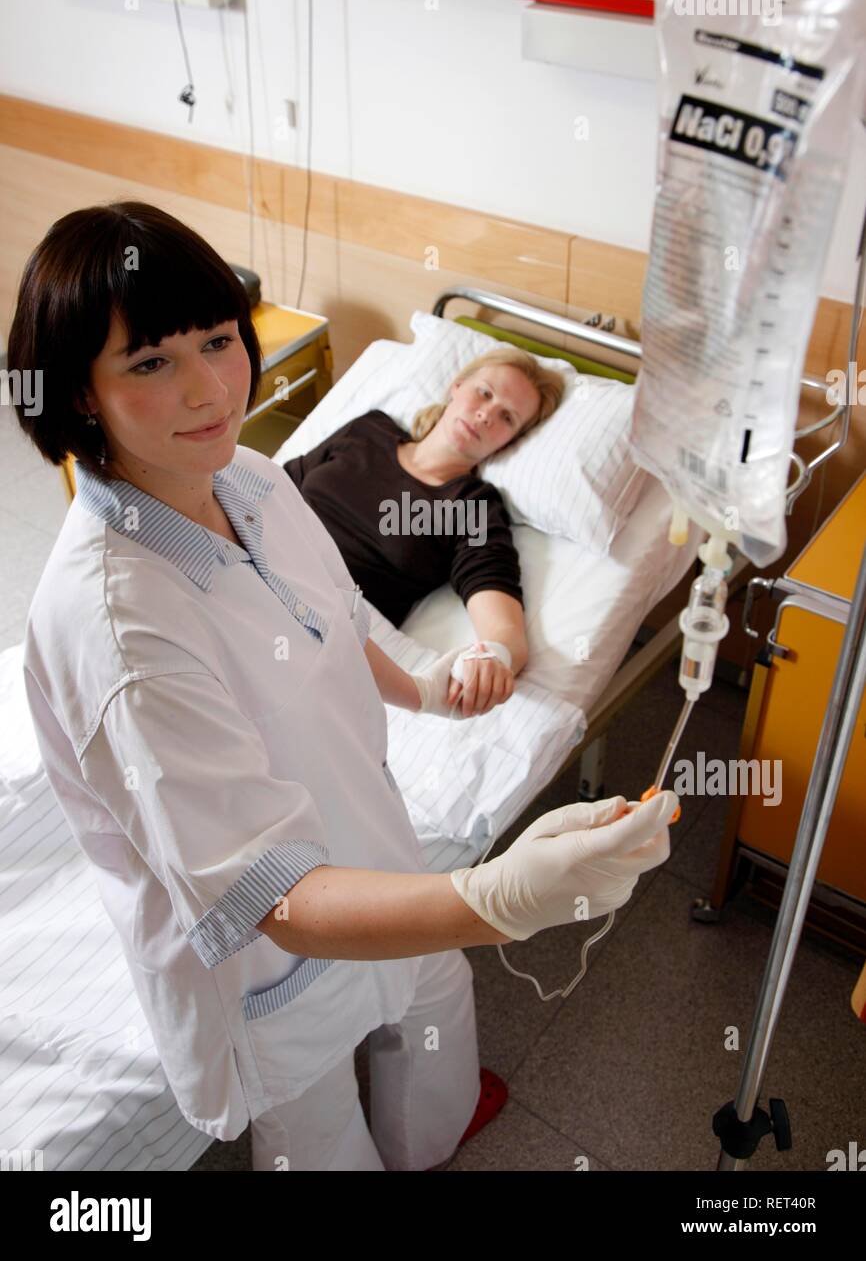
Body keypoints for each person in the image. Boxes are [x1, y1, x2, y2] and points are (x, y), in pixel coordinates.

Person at [8, 200, 678, 1172]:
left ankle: (431, 1138)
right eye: (151, 362)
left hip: (366, 827)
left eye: (216, 340)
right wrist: (494, 897)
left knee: (434, 995)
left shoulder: (252, 480)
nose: (208, 388)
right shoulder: (120, 625)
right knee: (316, 1125)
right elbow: (265, 895)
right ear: (78, 394)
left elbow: (335, 619)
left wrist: (434, 691)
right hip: (268, 951)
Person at [282, 347, 565, 718]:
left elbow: (502, 619)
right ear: (457, 386)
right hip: (260, 555)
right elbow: (275, 489)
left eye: (506, 417)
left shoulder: (470, 504)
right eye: (484, 393)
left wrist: (495, 656)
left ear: (510, 442)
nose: (485, 414)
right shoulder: (368, 430)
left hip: (323, 618)